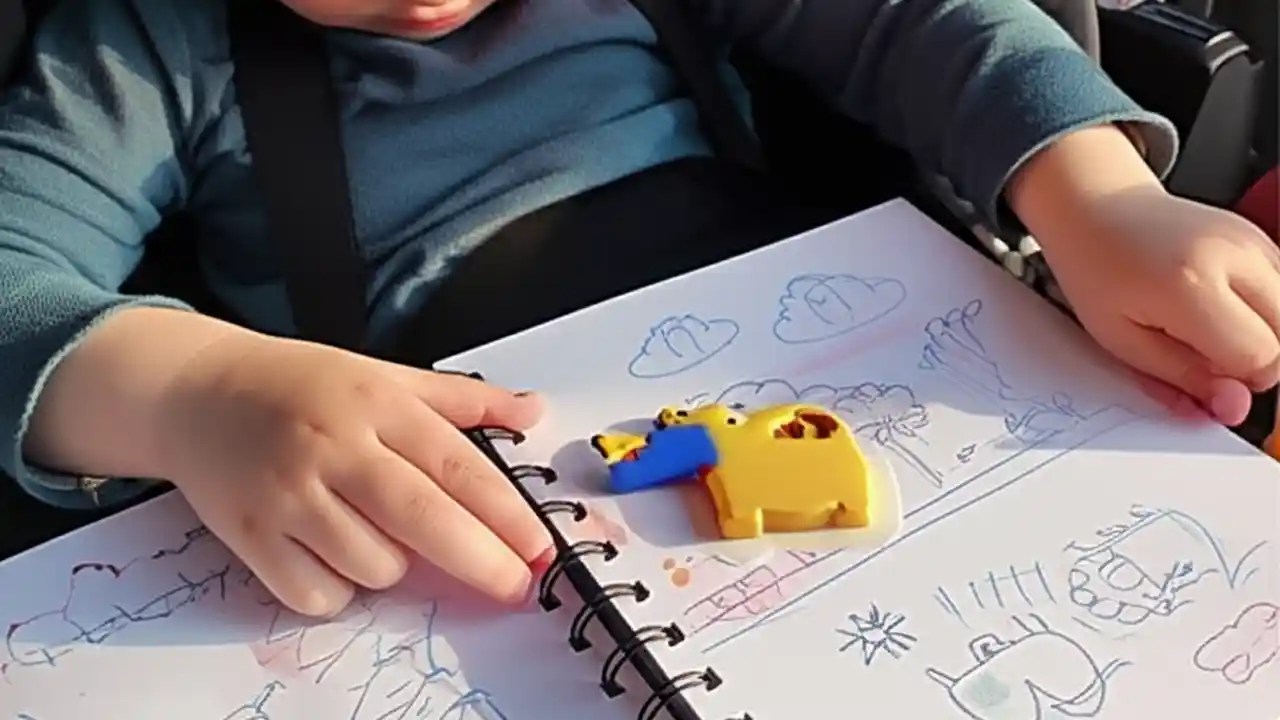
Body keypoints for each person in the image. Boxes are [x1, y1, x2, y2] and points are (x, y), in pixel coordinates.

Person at [2, 0, 1277, 620]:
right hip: (481, 490)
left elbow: (916, 21)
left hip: (837, 372)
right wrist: (186, 395)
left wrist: (1096, 195)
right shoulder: (140, 50)